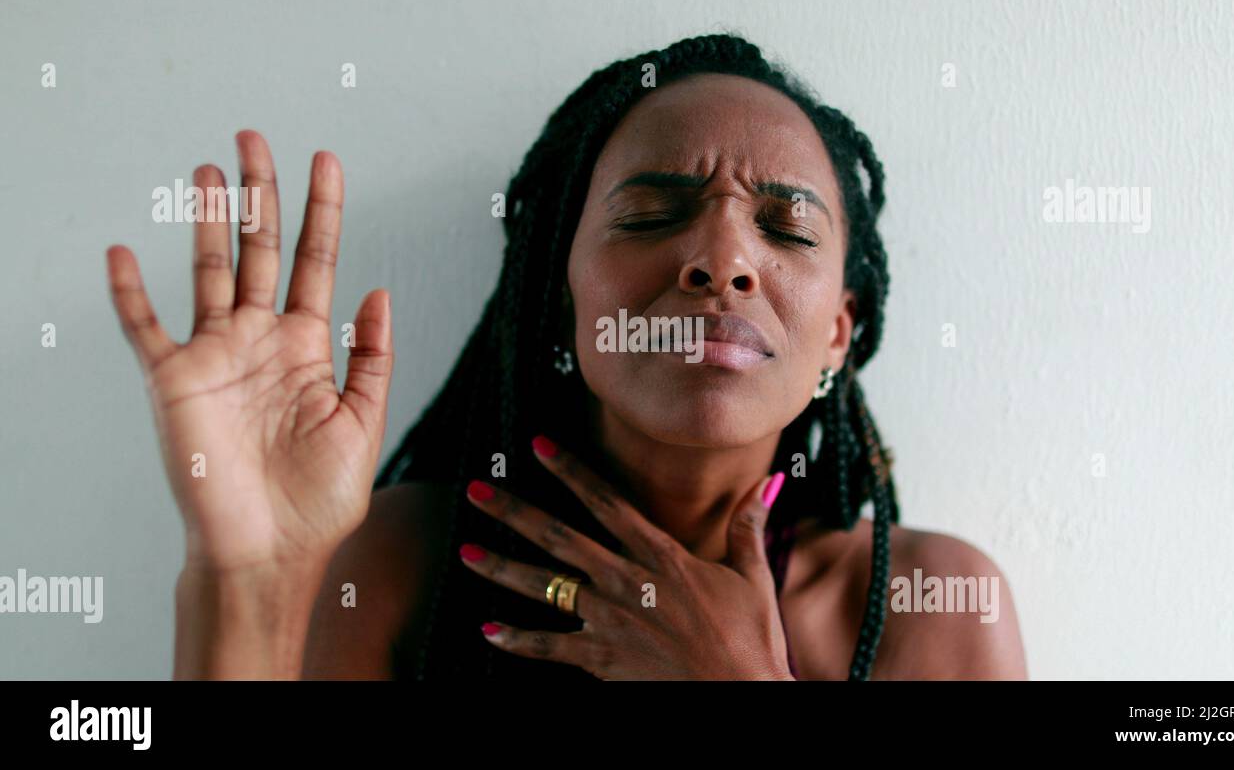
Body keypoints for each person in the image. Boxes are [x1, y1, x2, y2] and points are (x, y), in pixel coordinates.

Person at [106, 34, 1026, 680]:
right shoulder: (402, 568)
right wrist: (248, 576)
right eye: (652, 214)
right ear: (560, 293)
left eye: (785, 227)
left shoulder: (933, 614)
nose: (723, 261)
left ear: (839, 331)